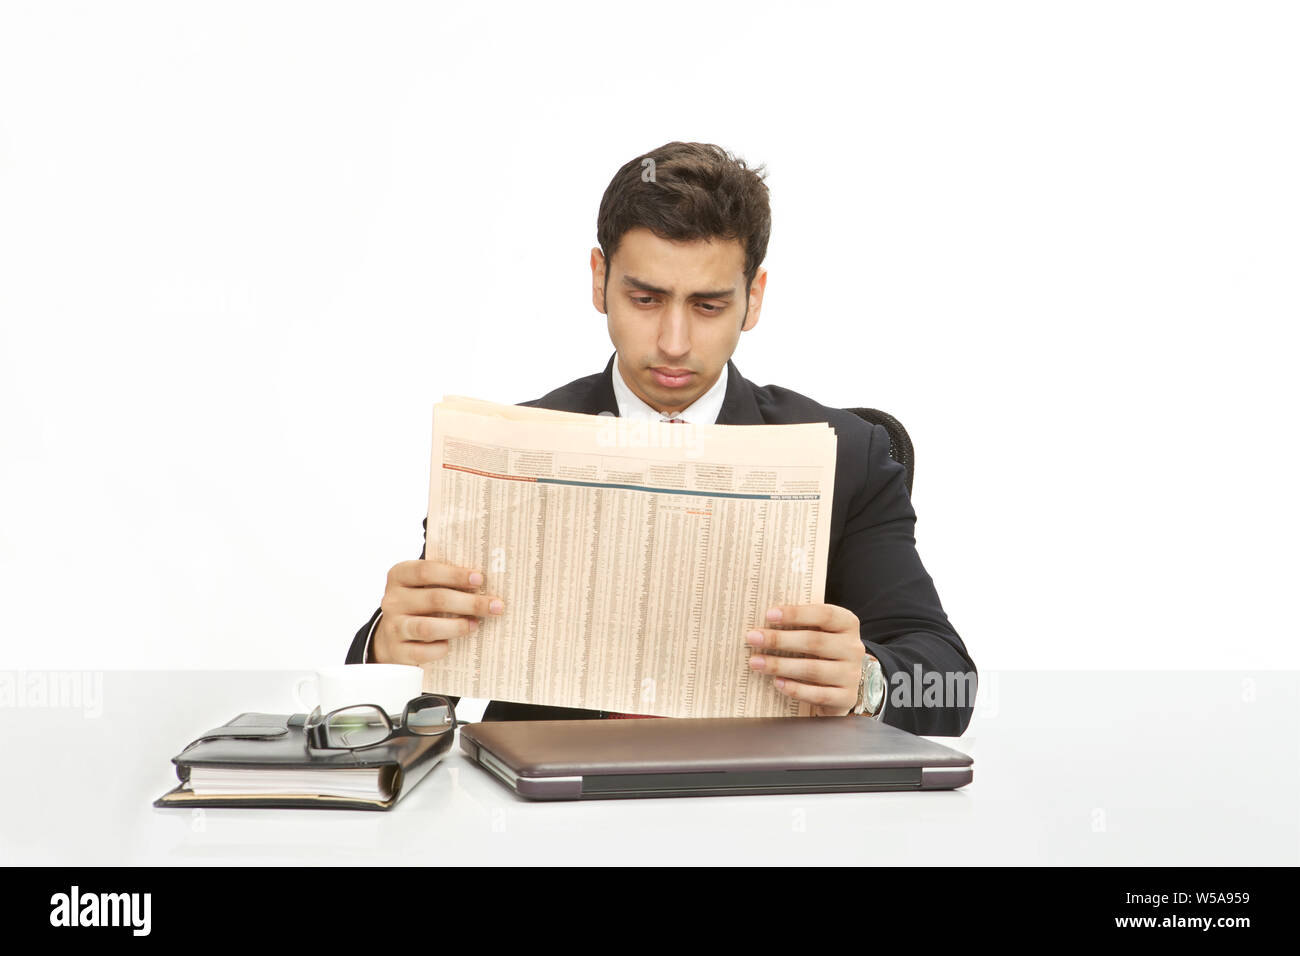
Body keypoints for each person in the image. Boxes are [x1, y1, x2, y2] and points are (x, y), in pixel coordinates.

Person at [346, 141, 976, 736]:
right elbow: (409, 701)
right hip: (555, 810)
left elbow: (949, 684)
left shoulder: (849, 453)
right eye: (645, 298)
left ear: (753, 298)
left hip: (759, 808)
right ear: (600, 281)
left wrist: (867, 682)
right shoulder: (504, 449)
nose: (674, 342)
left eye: (707, 305)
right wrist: (386, 650)